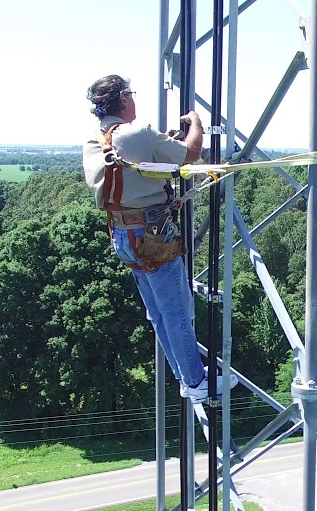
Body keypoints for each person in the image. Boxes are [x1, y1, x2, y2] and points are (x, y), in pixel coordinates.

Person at [82, 74, 232, 404]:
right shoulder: (138, 133)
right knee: (176, 311)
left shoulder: (97, 141)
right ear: (123, 98)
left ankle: (186, 375)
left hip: (124, 235)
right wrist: (197, 123)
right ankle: (196, 381)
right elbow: (191, 153)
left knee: (159, 314)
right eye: (131, 95)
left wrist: (161, 143)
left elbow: (134, 171)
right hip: (151, 236)